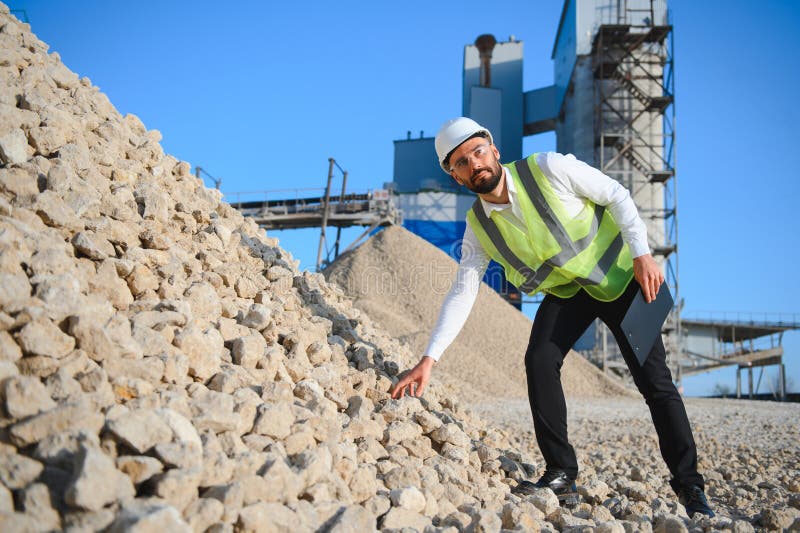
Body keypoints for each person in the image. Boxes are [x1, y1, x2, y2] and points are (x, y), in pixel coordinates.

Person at [389, 117, 714, 517]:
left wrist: (642, 254)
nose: (474, 164)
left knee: (655, 383)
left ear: (494, 151)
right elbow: (464, 289)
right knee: (540, 359)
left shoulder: (548, 168)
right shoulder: (478, 227)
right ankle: (561, 474)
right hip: (570, 293)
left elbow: (615, 193)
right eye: (461, 162)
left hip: (622, 280)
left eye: (477, 152)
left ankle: (691, 488)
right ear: (456, 176)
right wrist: (429, 359)